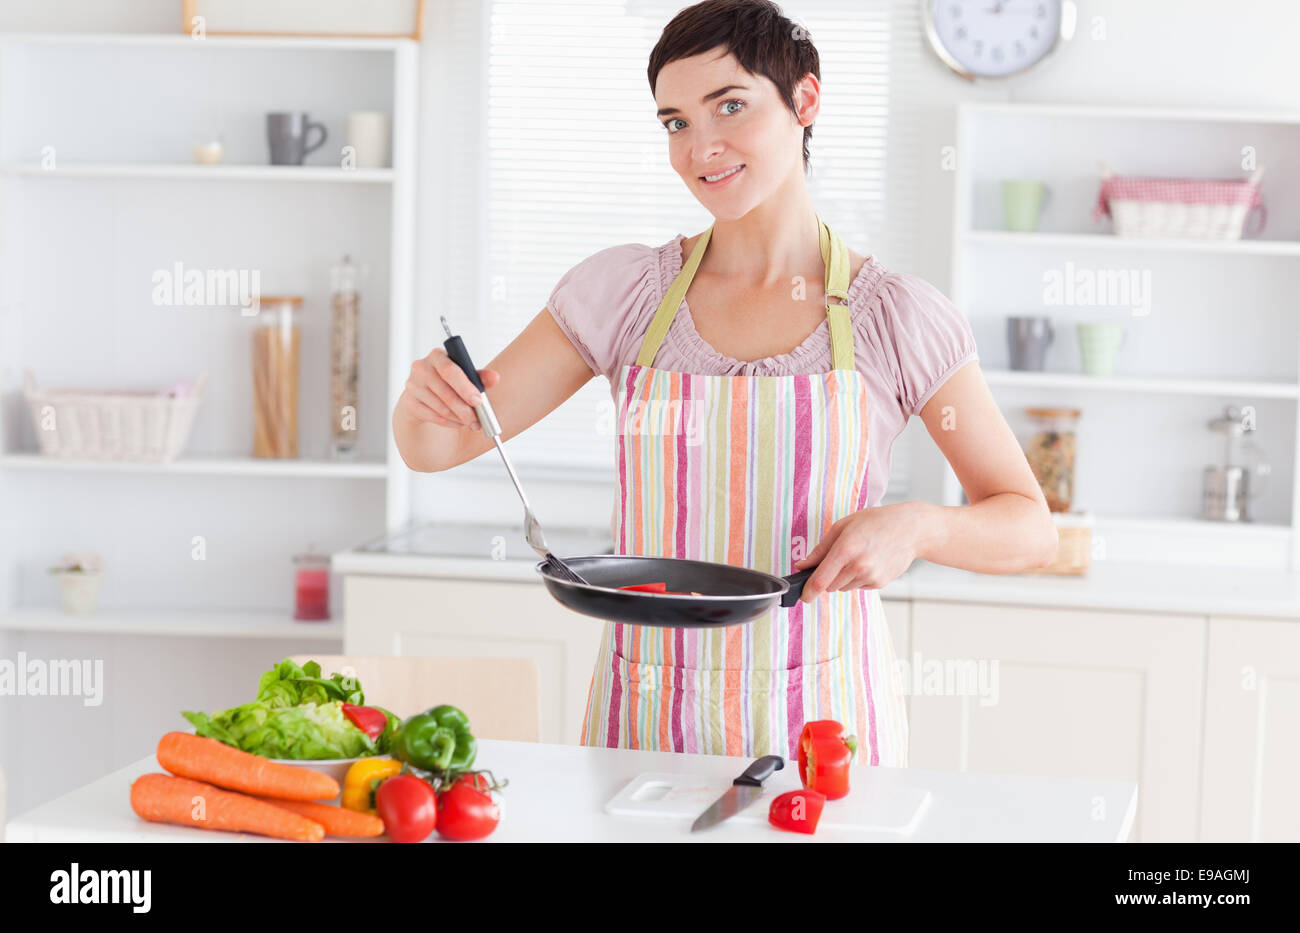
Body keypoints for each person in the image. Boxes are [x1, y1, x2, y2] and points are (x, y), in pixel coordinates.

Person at [393, 0, 1057, 767]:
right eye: (675, 122)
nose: (700, 147)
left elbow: (1030, 528)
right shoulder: (626, 294)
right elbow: (439, 444)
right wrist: (425, 399)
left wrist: (917, 527)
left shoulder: (894, 317)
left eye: (730, 106)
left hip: (825, 728)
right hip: (644, 723)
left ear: (805, 101)